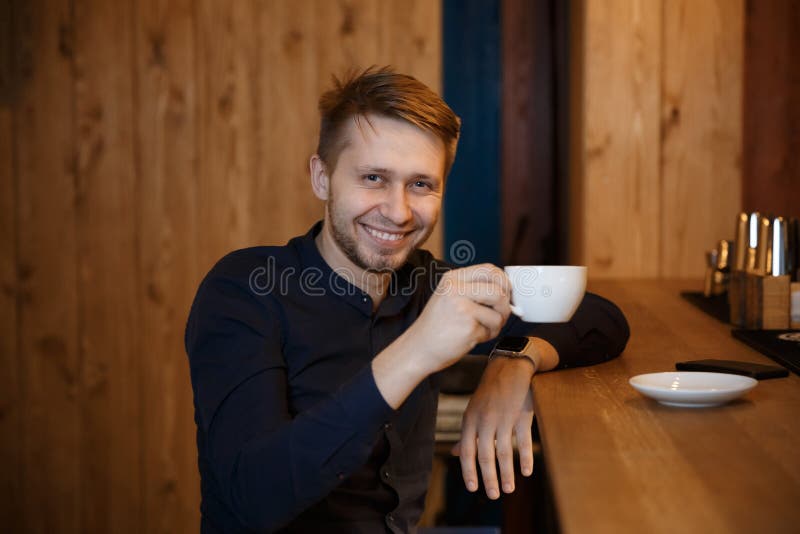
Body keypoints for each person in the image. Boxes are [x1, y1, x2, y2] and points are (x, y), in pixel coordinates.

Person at [185, 66, 629, 533]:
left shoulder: (428, 282)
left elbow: (601, 319)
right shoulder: (245, 290)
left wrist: (513, 362)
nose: (397, 212)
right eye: (373, 177)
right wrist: (418, 351)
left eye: (421, 184)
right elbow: (254, 498)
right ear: (322, 177)